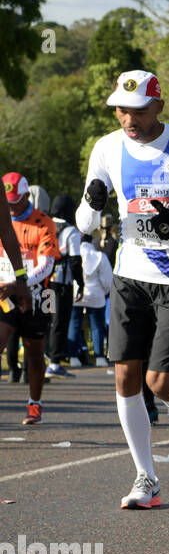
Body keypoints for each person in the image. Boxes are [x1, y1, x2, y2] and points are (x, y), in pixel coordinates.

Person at [78, 71, 169, 506]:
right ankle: (146, 478)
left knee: (160, 382)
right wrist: (93, 200)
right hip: (130, 273)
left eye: (139, 110)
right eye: (122, 110)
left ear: (159, 106)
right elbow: (86, 226)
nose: (129, 119)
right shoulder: (106, 149)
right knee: (126, 378)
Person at [0, 174, 58, 424]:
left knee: (34, 353)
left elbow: (47, 265)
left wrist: (20, 283)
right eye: (8, 202)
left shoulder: (44, 222)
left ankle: (35, 404)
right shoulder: (3, 220)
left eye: (16, 201)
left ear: (27, 197)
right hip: (5, 293)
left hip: (40, 294)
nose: (12, 207)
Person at [45, 193, 82, 376]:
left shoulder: (45, 225)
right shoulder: (71, 232)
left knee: (47, 320)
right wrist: (80, 284)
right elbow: (75, 261)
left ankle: (43, 357)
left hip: (44, 283)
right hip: (62, 285)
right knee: (60, 321)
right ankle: (54, 362)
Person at [68, 232, 113, 366]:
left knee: (74, 324)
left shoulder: (74, 254)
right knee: (97, 325)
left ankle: (73, 357)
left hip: (76, 292)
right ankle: (99, 357)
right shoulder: (100, 256)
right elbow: (107, 280)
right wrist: (103, 292)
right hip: (95, 293)